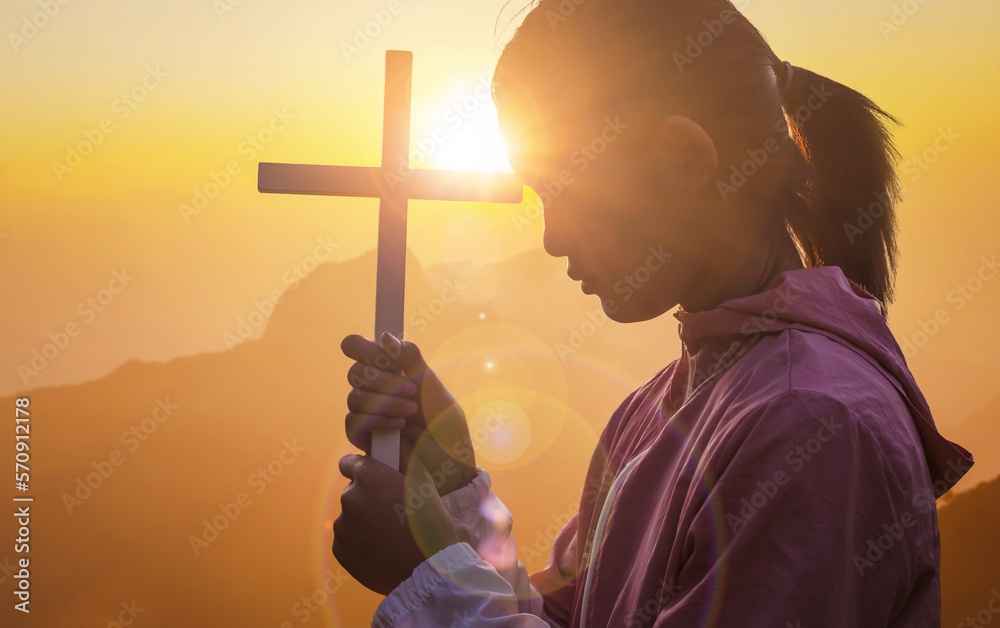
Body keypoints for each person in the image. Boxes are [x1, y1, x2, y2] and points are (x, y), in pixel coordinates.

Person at [332, 0, 974, 625]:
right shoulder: (656, 411)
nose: (552, 235)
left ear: (684, 160)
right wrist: (451, 483)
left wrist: (431, 578)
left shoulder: (809, 425)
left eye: (563, 188)